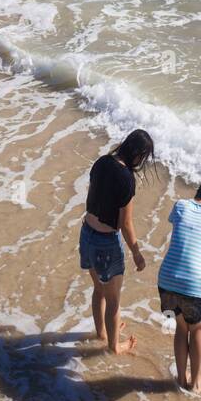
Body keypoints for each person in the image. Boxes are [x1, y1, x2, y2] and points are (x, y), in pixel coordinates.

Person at [79, 129, 154, 354]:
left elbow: (91, 197)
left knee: (98, 290)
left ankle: (102, 333)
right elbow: (126, 224)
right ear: (138, 154)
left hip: (86, 234)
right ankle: (114, 346)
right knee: (113, 300)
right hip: (105, 242)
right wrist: (137, 253)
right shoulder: (126, 179)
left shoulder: (101, 162)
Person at [157, 180, 201, 392]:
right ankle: (195, 383)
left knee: (181, 327)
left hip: (166, 279)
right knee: (196, 329)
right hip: (193, 283)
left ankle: (180, 379)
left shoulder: (180, 205)